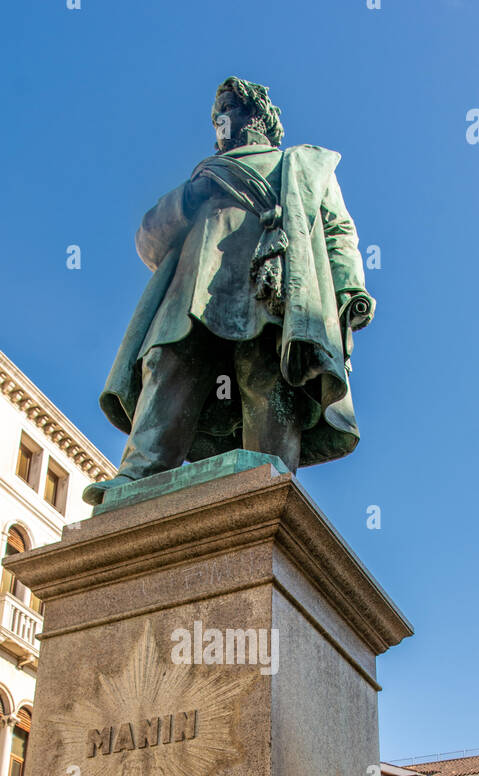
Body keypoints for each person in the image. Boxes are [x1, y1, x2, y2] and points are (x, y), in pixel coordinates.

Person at [85, 76, 374, 505]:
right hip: (193, 286)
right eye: (217, 113)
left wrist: (350, 289)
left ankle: (266, 475)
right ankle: (139, 475)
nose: (219, 121)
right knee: (168, 364)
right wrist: (188, 197)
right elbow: (149, 240)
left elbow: (337, 231)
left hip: (266, 281)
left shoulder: (301, 166)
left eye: (228, 109)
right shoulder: (201, 181)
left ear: (256, 117)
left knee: (264, 369)